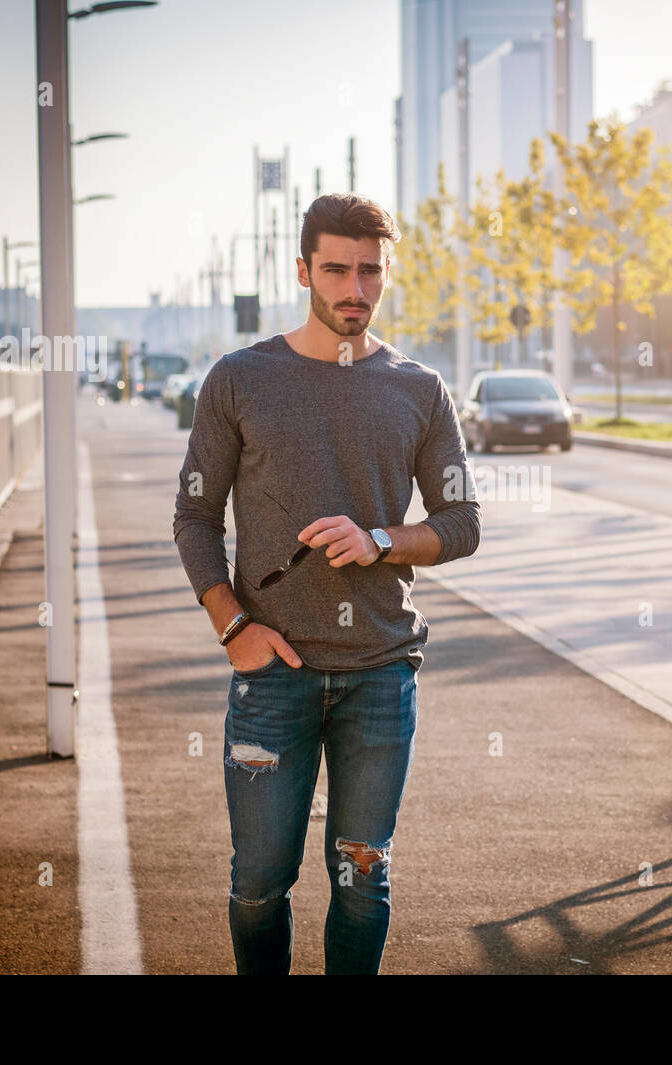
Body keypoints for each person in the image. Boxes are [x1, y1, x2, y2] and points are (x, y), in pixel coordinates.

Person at [172, 192, 481, 974]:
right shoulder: (240, 378)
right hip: (273, 675)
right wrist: (234, 629)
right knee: (257, 885)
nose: (354, 288)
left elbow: (461, 522)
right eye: (337, 269)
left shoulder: (420, 388)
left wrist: (380, 539)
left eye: (370, 271)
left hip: (381, 671)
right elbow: (195, 518)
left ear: (386, 275)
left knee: (361, 883)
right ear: (304, 269)